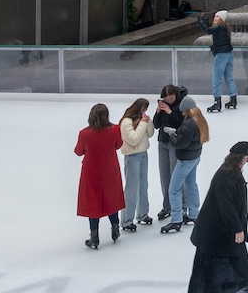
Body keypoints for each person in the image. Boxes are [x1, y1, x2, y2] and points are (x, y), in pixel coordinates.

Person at [189, 143, 248, 293]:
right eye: (246, 157)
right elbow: (226, 206)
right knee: (214, 276)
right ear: (238, 157)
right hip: (216, 237)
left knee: (239, 269)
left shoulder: (233, 173)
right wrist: (238, 229)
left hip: (223, 237)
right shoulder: (225, 176)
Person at [75, 103, 125, 248]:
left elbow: (79, 151)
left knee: (93, 200)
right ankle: (115, 228)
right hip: (110, 170)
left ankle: (94, 235)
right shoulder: (115, 129)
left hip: (91, 171)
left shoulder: (84, 133)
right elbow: (118, 145)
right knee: (112, 197)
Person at [159, 100, 210, 233]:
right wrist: (178, 131)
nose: (181, 113)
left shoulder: (187, 124)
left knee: (174, 189)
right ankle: (194, 213)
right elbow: (189, 137)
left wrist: (172, 135)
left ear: (186, 110)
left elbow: (180, 144)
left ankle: (176, 219)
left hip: (185, 160)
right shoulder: (200, 121)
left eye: (182, 111)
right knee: (191, 184)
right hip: (195, 157)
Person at [152, 84, 200, 222]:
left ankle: (182, 207)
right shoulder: (163, 105)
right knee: (164, 175)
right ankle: (167, 206)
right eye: (166, 99)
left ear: (176, 95)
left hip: (176, 143)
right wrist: (158, 112)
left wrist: (169, 112)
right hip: (163, 142)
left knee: (177, 177)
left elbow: (182, 124)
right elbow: (156, 125)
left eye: (171, 98)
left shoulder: (183, 105)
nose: (169, 101)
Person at [118, 99, 154, 234]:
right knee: (131, 188)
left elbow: (150, 133)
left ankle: (143, 213)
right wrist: (143, 123)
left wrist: (147, 122)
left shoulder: (142, 120)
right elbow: (133, 139)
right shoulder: (126, 122)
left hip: (143, 154)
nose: (144, 112)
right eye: (143, 109)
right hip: (132, 157)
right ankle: (127, 220)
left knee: (143, 185)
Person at [206, 11, 237, 113]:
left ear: (222, 19)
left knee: (216, 79)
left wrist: (200, 21)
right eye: (215, 16)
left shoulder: (219, 27)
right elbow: (221, 41)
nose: (215, 18)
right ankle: (233, 99)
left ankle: (217, 103)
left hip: (221, 56)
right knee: (229, 78)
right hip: (229, 55)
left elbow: (207, 30)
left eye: (217, 17)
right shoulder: (225, 28)